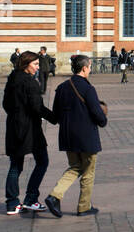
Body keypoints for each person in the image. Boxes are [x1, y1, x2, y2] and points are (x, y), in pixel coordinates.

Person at [43, 55, 107, 218]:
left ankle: (55, 196)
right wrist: (103, 119)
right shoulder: (88, 88)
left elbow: (55, 116)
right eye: (90, 67)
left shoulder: (62, 87)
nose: (90, 70)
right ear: (84, 68)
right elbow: (96, 112)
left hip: (67, 136)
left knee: (75, 167)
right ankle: (83, 206)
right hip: (86, 137)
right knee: (88, 171)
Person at [3, 51, 57, 215]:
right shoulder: (30, 83)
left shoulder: (12, 80)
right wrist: (55, 118)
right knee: (42, 161)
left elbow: (5, 104)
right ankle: (31, 198)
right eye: (35, 64)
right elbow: (37, 108)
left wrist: (16, 115)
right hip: (30, 130)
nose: (37, 68)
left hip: (14, 127)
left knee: (15, 166)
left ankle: (12, 203)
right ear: (26, 65)